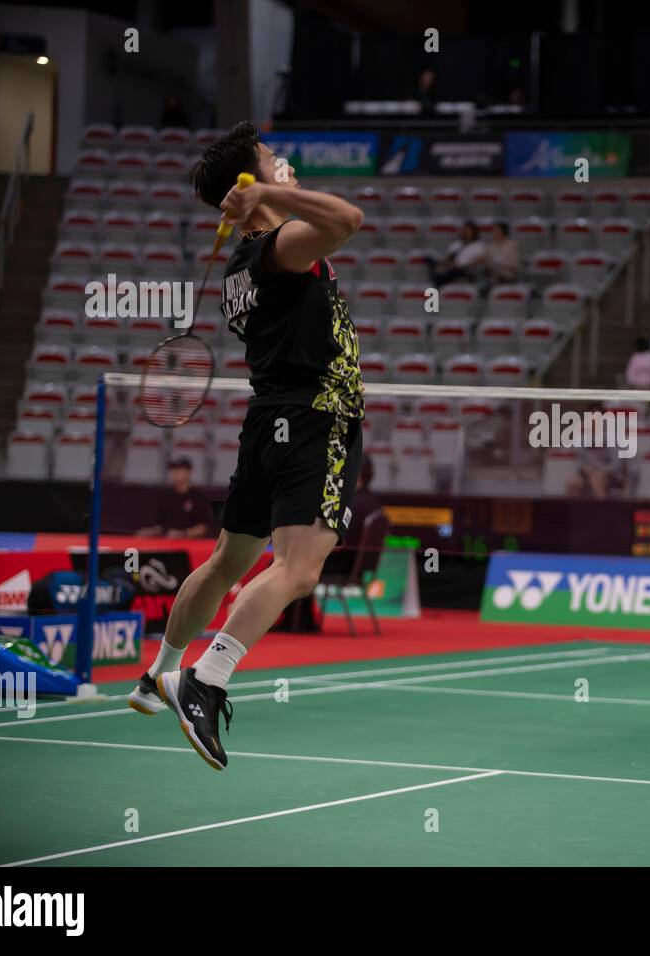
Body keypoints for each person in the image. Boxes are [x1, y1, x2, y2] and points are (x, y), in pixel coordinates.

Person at [126, 121, 366, 771]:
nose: (287, 164)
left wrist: (267, 190)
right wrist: (273, 192)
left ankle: (157, 675)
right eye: (273, 159)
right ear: (251, 183)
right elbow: (348, 218)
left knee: (228, 562)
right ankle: (205, 680)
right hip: (315, 419)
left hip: (269, 422)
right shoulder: (278, 246)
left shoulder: (242, 263)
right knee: (299, 568)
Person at [134, 457, 215, 538]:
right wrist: (150, 532)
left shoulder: (198, 497)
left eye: (179, 470)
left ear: (189, 472)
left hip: (191, 543)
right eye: (173, 470)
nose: (175, 473)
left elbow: (203, 527)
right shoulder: (166, 497)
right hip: (168, 542)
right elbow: (160, 526)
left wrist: (183, 534)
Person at [429, 219, 485, 287]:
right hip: (452, 267)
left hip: (466, 270)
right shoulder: (457, 244)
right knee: (430, 260)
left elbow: (478, 261)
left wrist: (459, 266)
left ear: (474, 232)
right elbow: (448, 258)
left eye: (469, 231)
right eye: (465, 231)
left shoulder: (479, 245)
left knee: (446, 274)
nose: (467, 233)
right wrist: (450, 264)